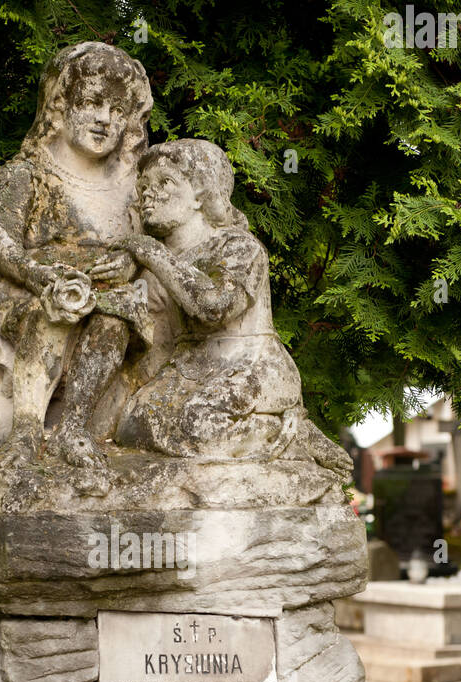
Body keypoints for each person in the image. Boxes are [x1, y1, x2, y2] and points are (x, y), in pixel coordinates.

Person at [0, 41, 153, 492]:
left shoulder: (132, 182)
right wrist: (38, 277)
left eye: (116, 108)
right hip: (25, 287)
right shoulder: (26, 172)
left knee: (114, 319)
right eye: (91, 103)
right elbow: (0, 239)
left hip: (102, 289)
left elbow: (142, 241)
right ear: (60, 105)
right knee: (49, 314)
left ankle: (74, 427)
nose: (105, 119)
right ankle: (28, 429)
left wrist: (128, 260)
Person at [115, 138, 351, 473]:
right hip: (190, 367)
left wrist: (151, 253)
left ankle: (292, 436)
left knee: (200, 424)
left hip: (250, 365)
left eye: (165, 182)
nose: (149, 194)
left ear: (201, 193)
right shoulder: (163, 262)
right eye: (144, 186)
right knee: (134, 423)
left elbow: (214, 307)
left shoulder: (240, 247)